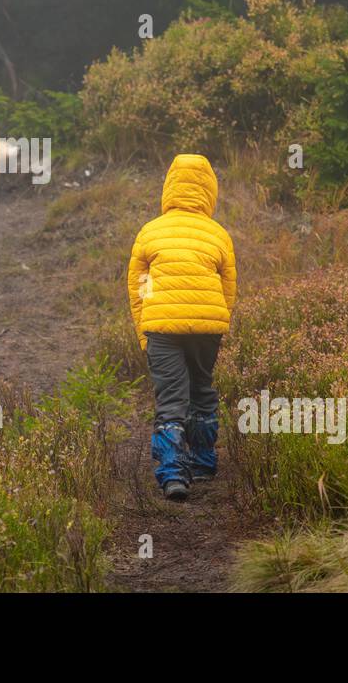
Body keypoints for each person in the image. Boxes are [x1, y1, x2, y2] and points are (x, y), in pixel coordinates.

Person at [126, 154, 238, 501]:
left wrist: (145, 331)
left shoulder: (150, 231)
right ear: (209, 190)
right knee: (202, 390)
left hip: (162, 328)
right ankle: (204, 463)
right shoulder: (218, 234)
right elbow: (228, 287)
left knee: (171, 398)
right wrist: (218, 322)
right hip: (208, 327)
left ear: (169, 187)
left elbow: (139, 286)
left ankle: (173, 474)